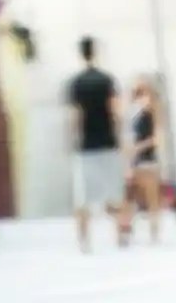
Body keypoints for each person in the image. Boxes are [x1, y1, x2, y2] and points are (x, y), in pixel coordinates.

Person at [66, 36, 126, 252]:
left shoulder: (76, 83)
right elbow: (116, 111)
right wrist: (119, 137)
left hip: (86, 147)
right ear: (96, 52)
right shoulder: (107, 80)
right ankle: (120, 238)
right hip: (109, 143)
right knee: (115, 195)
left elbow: (76, 116)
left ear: (81, 54)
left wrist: (73, 140)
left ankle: (84, 242)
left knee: (83, 198)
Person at [122, 75, 164, 244]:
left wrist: (138, 147)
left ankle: (154, 233)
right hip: (135, 160)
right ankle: (126, 229)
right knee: (129, 195)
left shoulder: (154, 110)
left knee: (151, 197)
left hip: (148, 160)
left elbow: (157, 138)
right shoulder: (136, 111)